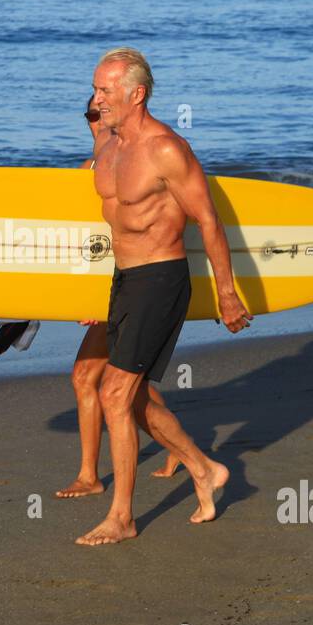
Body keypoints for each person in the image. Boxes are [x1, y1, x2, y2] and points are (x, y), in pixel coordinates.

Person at [76, 47, 252, 546]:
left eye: (106, 90)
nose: (97, 98)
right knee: (132, 404)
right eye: (94, 89)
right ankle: (204, 468)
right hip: (124, 279)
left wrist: (227, 295)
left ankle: (122, 518)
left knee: (113, 392)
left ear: (138, 94)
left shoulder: (166, 149)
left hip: (162, 278)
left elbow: (209, 220)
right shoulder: (107, 144)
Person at [57, 95, 183, 499]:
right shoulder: (88, 169)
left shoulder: (134, 161)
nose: (96, 121)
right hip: (110, 289)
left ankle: (91, 476)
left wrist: (97, 301)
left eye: (102, 114)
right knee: (127, 384)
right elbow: (87, 243)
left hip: (132, 286)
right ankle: (178, 451)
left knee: (98, 380)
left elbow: (133, 235)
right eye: (90, 115)